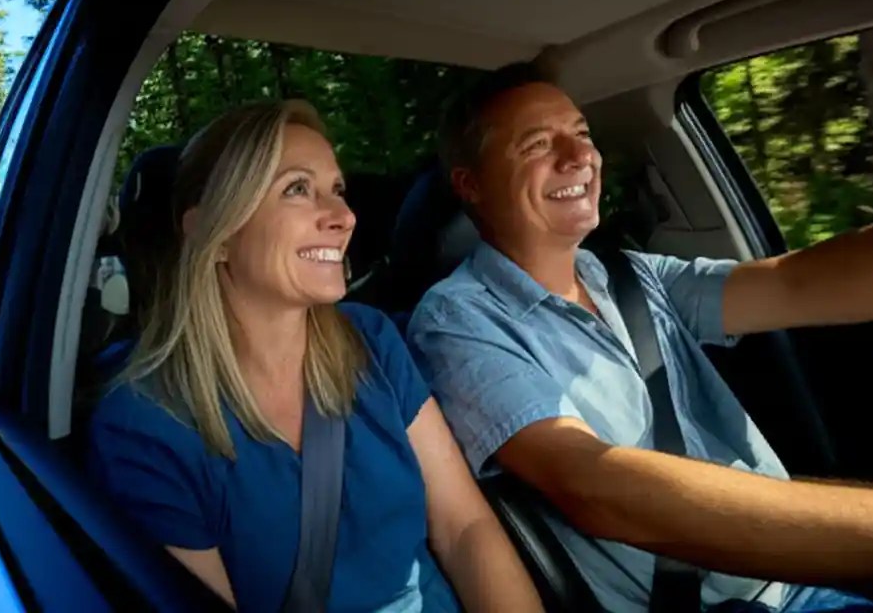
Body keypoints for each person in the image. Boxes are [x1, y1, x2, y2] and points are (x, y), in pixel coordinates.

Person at [406, 62, 873, 613]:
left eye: (582, 134)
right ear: (470, 183)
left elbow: (797, 282)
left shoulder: (637, 276)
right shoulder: (456, 321)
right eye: (538, 144)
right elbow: (590, 481)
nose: (578, 156)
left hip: (793, 586)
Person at [87, 100, 544, 612]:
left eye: (338, 190)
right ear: (211, 234)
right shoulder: (145, 425)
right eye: (297, 189)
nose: (345, 217)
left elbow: (465, 528)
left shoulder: (370, 340)